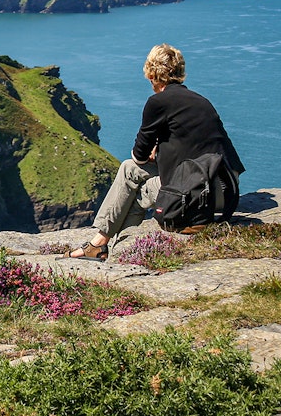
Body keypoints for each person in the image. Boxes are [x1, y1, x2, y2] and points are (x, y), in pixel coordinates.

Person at [63, 43, 245, 260]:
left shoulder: (158, 102)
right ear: (180, 71)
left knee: (132, 176)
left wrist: (152, 152)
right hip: (224, 192)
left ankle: (106, 244)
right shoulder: (201, 101)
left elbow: (139, 155)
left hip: (197, 197)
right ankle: (112, 245)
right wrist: (160, 152)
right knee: (131, 173)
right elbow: (197, 149)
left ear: (151, 74)